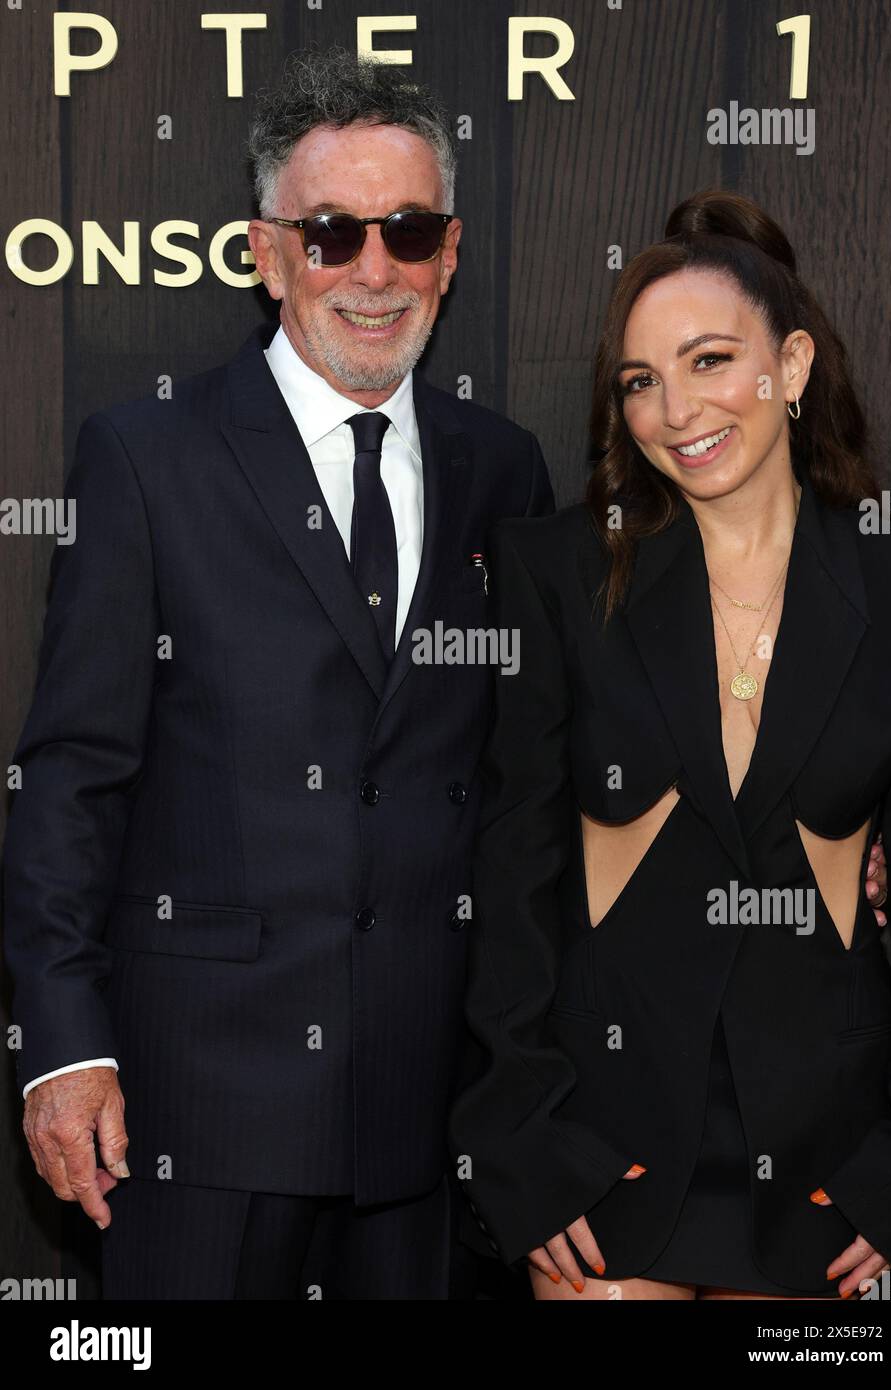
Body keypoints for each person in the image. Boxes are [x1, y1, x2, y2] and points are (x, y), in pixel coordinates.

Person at [3, 45, 554, 1300]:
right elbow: (71, 779)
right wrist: (62, 1051)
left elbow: (530, 778)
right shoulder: (146, 457)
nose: (374, 271)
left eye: (408, 231)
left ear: (451, 252)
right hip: (191, 1111)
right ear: (266, 252)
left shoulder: (502, 470)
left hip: (428, 1119)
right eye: (332, 234)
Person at [449, 189, 891, 1301]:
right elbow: (509, 880)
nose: (677, 409)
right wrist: (526, 1146)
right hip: (604, 1146)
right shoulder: (559, 572)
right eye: (641, 380)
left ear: (794, 366)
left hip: (827, 1162)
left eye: (711, 360)